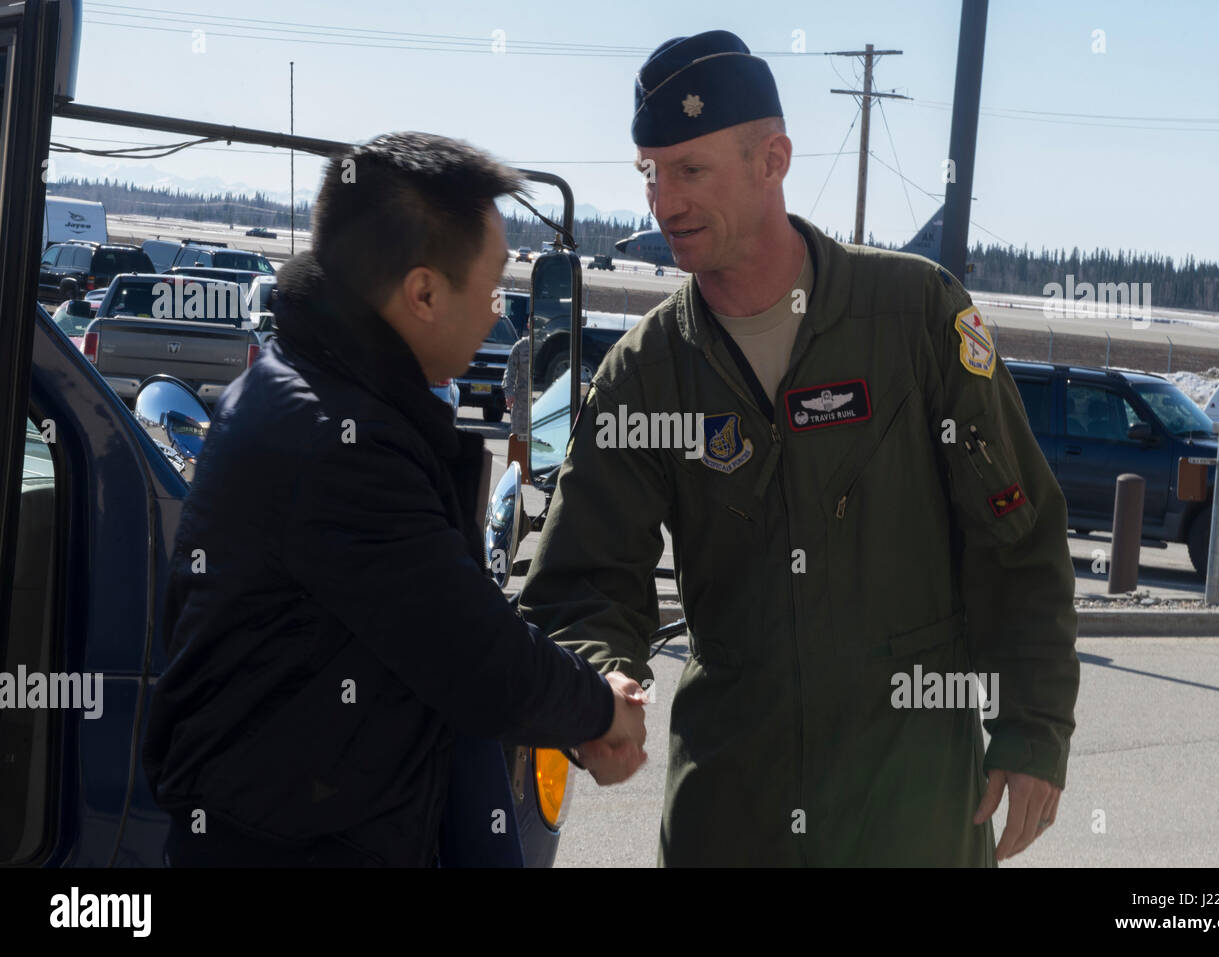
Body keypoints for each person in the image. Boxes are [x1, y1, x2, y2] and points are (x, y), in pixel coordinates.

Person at [518, 31, 1080, 866]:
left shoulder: (917, 318)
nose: (663, 203)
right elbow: (583, 580)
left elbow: (1019, 534)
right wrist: (602, 681)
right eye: (650, 173)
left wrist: (1034, 726)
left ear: (772, 159)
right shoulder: (647, 372)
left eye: (690, 170)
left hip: (914, 808)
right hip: (735, 811)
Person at [142, 132, 647, 868]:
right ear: (424, 292)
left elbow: (429, 638)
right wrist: (600, 707)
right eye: (493, 278)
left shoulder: (305, 387)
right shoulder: (339, 443)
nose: (498, 308)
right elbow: (473, 656)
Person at [502, 331, 530, 436]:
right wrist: (509, 394)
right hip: (522, 404)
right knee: (519, 438)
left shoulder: (546, 345)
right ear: (528, 325)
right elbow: (510, 371)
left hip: (543, 400)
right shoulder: (521, 346)